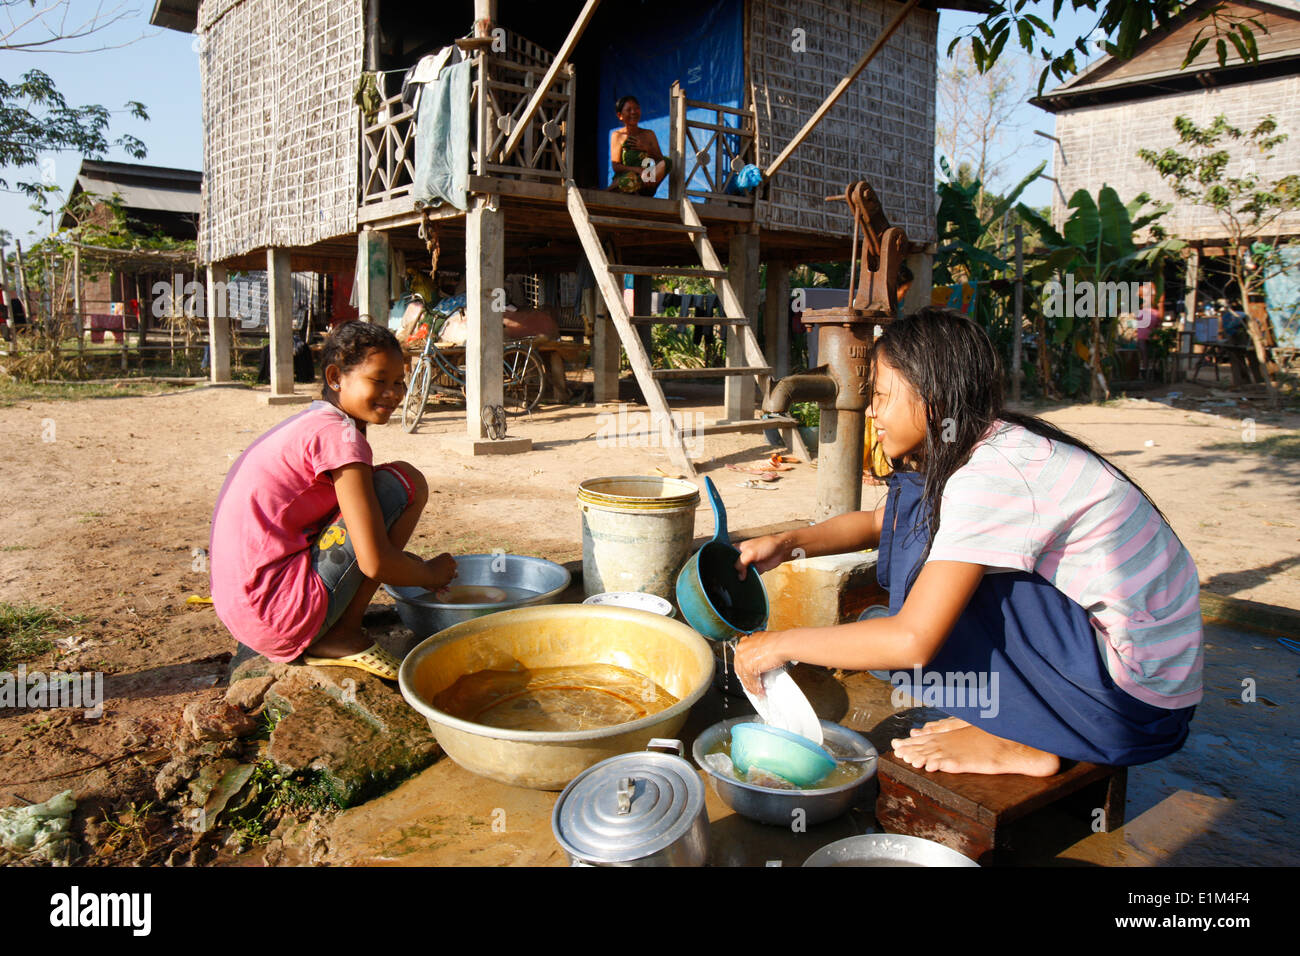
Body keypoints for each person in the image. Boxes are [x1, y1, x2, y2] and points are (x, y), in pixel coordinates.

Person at [733, 308, 1201, 776]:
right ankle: (1018, 717)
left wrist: (778, 645)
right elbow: (884, 521)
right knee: (885, 622)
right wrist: (786, 542)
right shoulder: (987, 441)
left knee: (900, 636)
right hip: (1139, 683)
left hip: (1132, 711)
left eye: (880, 396)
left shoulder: (993, 477)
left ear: (932, 399)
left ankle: (1024, 742)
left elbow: (911, 642)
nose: (872, 411)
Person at [209, 321, 457, 679]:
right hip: (276, 613)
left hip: (246, 611)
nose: (393, 393)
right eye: (378, 380)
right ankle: (342, 632)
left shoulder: (315, 421)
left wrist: (399, 560)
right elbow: (374, 563)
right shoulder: (339, 436)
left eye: (399, 382)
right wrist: (427, 575)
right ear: (335, 377)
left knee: (372, 494)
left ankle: (329, 623)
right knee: (404, 481)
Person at [609, 95, 670, 196]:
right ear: (620, 115)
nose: (633, 112)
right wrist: (638, 170)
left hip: (648, 180)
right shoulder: (617, 136)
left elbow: (659, 159)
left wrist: (646, 149)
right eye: (629, 110)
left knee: (666, 162)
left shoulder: (649, 134)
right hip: (629, 178)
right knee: (627, 180)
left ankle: (641, 186)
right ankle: (625, 187)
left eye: (636, 108)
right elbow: (616, 166)